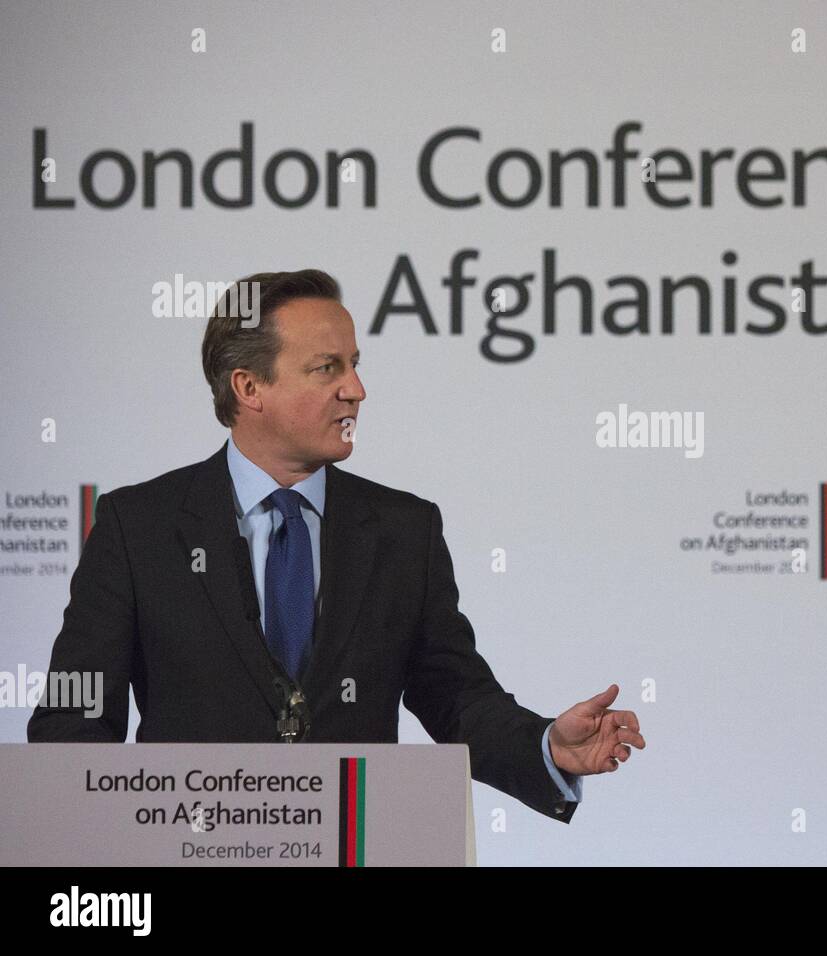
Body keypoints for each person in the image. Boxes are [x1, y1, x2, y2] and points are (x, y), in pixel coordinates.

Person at [28, 269, 645, 823]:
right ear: (248, 386)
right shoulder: (138, 527)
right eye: (328, 368)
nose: (356, 389)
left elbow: (456, 697)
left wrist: (547, 746)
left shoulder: (406, 530)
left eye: (354, 364)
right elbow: (73, 718)